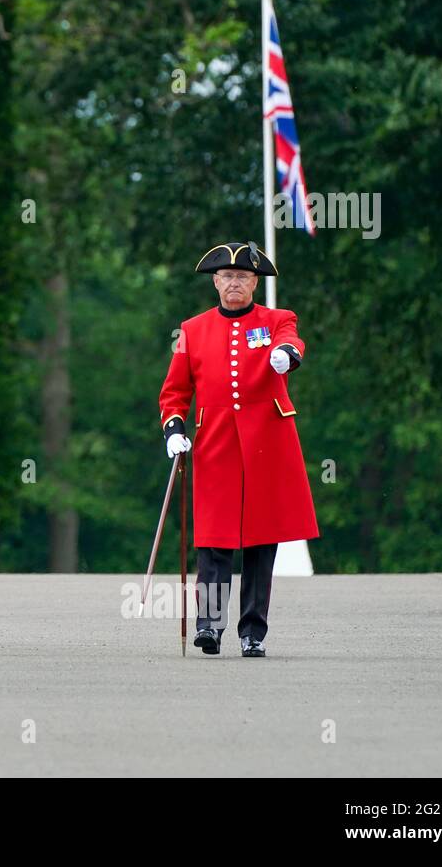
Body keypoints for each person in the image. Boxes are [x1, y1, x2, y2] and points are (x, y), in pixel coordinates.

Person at [157, 241, 318, 657]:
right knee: (213, 543)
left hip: (268, 441)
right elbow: (175, 391)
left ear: (254, 284)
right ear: (215, 281)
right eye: (227, 277)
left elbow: (292, 341)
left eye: (243, 277)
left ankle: (253, 633)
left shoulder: (277, 318)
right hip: (216, 444)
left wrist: (286, 354)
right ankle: (210, 626)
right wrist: (173, 428)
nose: (235, 283)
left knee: (262, 544)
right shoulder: (192, 330)